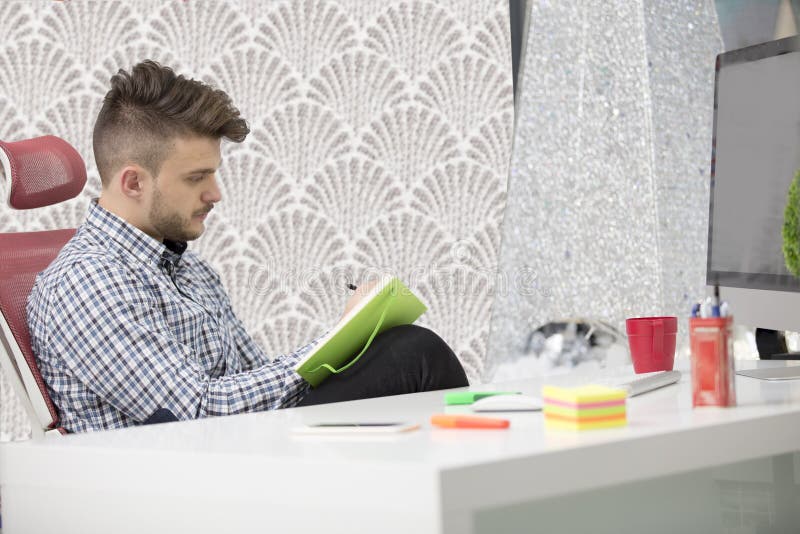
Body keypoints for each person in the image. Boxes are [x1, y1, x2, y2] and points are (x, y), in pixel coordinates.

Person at [26, 60, 468, 433]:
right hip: (177, 481)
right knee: (414, 354)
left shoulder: (189, 271)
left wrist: (349, 339)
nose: (215, 193)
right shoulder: (84, 282)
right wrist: (329, 343)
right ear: (134, 182)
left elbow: (254, 383)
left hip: (238, 449)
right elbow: (197, 411)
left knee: (400, 350)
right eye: (197, 178)